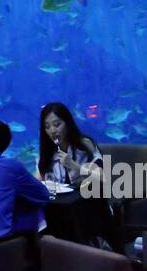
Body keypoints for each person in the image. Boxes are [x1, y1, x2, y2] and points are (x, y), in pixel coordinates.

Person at [37, 102, 117, 249]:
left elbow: (101, 176)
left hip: (91, 205)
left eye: (57, 124)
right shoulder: (48, 152)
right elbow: (40, 181)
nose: (52, 130)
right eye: (47, 127)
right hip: (60, 208)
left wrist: (74, 166)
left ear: (67, 123)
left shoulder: (85, 144)